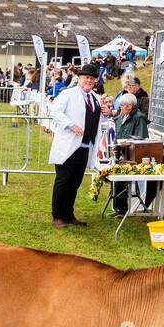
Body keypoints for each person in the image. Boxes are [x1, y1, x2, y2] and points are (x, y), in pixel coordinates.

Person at [47, 62, 102, 229]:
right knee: (63, 181)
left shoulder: (96, 98)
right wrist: (70, 125)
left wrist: (107, 113)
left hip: (85, 147)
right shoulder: (68, 94)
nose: (89, 81)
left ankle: (69, 214)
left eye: (92, 78)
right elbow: (54, 111)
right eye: (87, 77)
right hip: (69, 146)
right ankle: (57, 215)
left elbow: (96, 118)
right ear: (80, 78)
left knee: (75, 183)